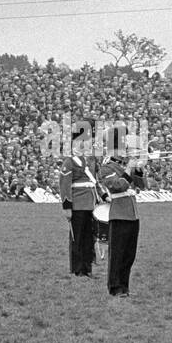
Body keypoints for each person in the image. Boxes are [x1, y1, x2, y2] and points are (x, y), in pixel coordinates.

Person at [97, 134, 148, 297]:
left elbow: (142, 186)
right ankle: (115, 286)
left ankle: (124, 286)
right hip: (119, 213)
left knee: (129, 254)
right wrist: (128, 169)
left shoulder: (125, 165)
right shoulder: (107, 168)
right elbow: (117, 186)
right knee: (117, 253)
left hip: (132, 213)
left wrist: (138, 169)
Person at [58, 116, 99, 277]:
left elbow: (95, 181)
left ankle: (87, 267)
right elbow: (65, 185)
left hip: (90, 203)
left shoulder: (90, 161)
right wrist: (67, 207)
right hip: (77, 204)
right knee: (78, 237)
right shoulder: (69, 162)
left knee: (89, 238)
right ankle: (77, 268)